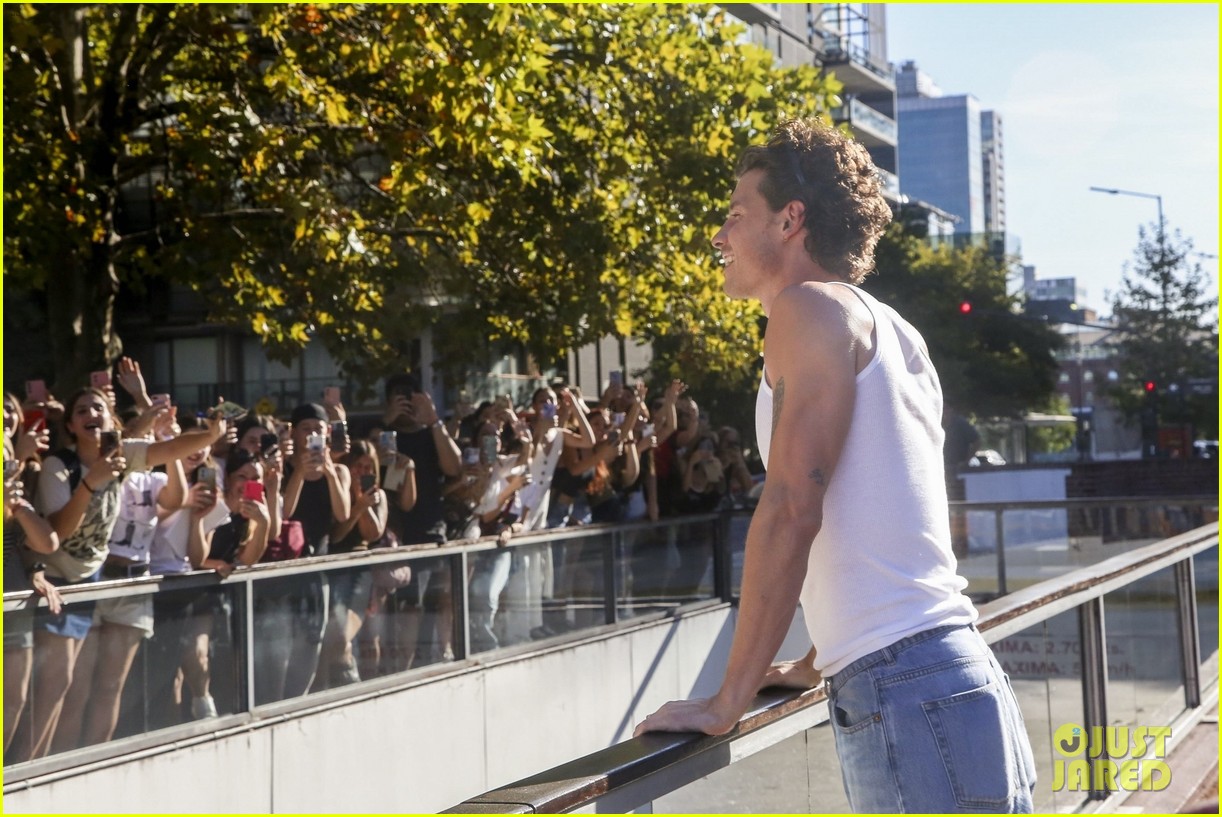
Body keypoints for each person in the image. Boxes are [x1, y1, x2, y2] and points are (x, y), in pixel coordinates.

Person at [634, 119, 1036, 813]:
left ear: (791, 219)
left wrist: (729, 696)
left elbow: (794, 503)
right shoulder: (891, 327)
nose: (718, 236)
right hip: (949, 680)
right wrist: (813, 659)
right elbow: (886, 512)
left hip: (909, 694)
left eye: (735, 215)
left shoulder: (806, 309)